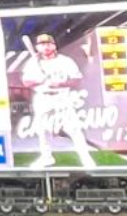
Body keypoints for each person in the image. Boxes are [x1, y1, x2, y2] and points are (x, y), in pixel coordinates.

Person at [20, 32, 95, 170]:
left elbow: (76, 79)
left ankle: (86, 158)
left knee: (73, 128)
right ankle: (47, 157)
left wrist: (60, 83)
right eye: (42, 45)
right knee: (42, 130)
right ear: (37, 48)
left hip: (62, 97)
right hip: (43, 97)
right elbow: (26, 81)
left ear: (54, 46)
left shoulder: (65, 61)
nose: (46, 47)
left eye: (48, 44)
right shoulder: (33, 62)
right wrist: (41, 80)